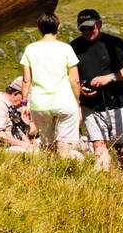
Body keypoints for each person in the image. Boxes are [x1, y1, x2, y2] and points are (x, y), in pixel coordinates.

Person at [70, 8, 123, 173]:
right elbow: (71, 74)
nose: (87, 32)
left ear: (99, 24)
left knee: (122, 147)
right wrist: (79, 88)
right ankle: (105, 180)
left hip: (117, 103)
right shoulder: (74, 46)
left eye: (91, 28)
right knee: (98, 145)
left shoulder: (113, 43)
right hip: (91, 106)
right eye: (83, 29)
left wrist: (109, 77)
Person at [20, 12, 82, 159]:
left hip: (40, 103)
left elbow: (26, 80)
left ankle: (50, 174)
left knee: (47, 143)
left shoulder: (30, 49)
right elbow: (75, 80)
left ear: (39, 29)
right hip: (65, 101)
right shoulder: (66, 48)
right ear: (58, 27)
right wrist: (78, 102)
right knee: (65, 143)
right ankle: (65, 174)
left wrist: (24, 103)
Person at [0, 77, 37, 152]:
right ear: (15, 94)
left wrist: (28, 143)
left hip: (12, 147)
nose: (24, 103)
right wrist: (25, 145)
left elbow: (17, 130)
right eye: (23, 99)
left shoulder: (11, 107)